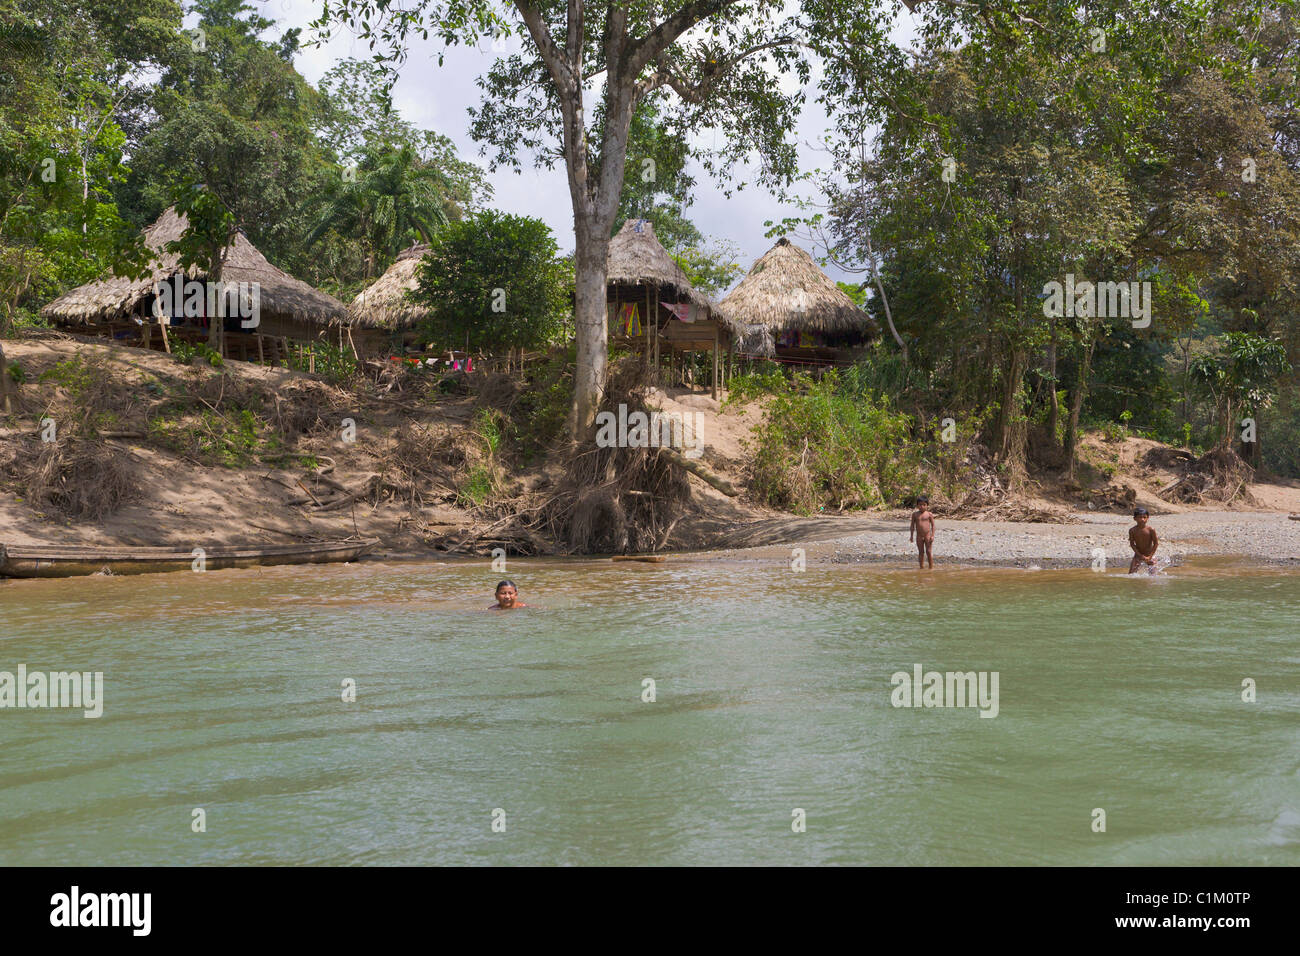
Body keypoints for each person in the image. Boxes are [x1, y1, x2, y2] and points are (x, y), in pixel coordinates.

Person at [1128, 507, 1159, 573]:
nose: (1142, 519)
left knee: (1153, 575)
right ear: (1134, 519)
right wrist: (1140, 555)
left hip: (1150, 554)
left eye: (1144, 517)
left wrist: (1150, 556)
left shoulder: (1151, 530)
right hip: (1138, 555)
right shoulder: (1132, 530)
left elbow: (1156, 543)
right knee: (1131, 574)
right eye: (1140, 517)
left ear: (1148, 518)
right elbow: (1132, 544)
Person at [910, 495, 935, 569]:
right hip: (919, 536)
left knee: (929, 552)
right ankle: (921, 568)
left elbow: (933, 525)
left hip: (928, 535)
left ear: (927, 505)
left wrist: (932, 535)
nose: (922, 506)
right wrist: (911, 536)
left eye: (924, 505)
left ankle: (931, 568)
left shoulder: (929, 514)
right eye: (920, 505)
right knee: (921, 552)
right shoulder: (915, 515)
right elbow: (912, 526)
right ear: (917, 505)